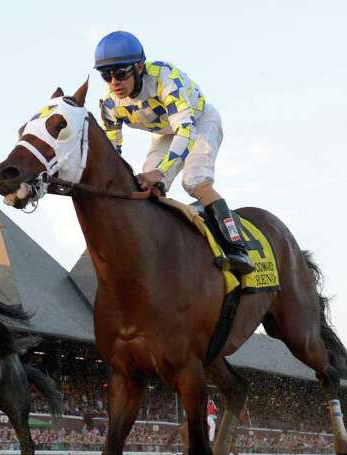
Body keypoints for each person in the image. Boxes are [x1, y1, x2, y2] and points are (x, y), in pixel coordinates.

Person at [94, 31, 254, 275]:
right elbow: (113, 152)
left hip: (198, 122)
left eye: (120, 73)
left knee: (195, 181)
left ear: (139, 67)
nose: (114, 82)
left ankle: (237, 247)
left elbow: (185, 132)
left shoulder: (164, 77)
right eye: (106, 75)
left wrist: (160, 171)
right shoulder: (109, 104)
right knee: (147, 187)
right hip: (164, 132)